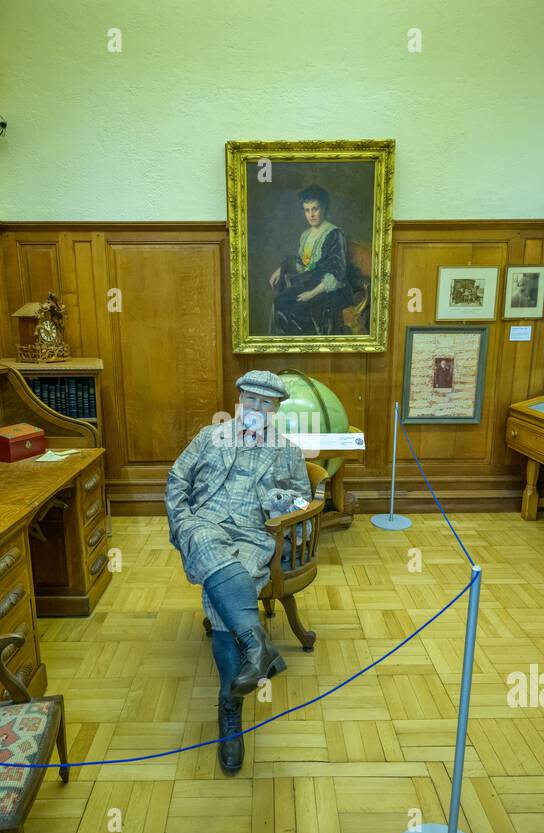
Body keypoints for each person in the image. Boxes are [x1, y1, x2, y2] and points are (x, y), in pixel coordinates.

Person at [165, 370, 311, 774]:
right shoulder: (210, 437)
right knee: (206, 544)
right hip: (204, 523)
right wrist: (180, 521)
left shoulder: (287, 451)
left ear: (276, 409)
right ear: (239, 400)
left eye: (267, 403)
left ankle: (232, 704)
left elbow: (304, 504)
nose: (257, 409)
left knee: (227, 589)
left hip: (252, 534)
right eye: (251, 400)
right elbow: (177, 478)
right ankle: (253, 650)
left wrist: (277, 500)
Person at [270, 185, 354, 336]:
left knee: (295, 311)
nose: (311, 214)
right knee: (280, 302)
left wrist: (311, 294)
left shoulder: (335, 234)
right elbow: (304, 265)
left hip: (329, 291)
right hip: (309, 284)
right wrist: (281, 269)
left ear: (324, 208)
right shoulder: (305, 235)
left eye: (315, 208)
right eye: (307, 210)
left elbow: (337, 274)